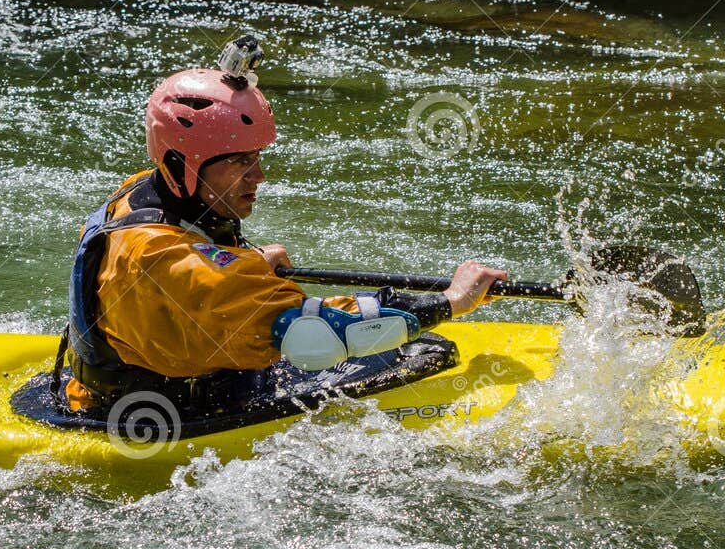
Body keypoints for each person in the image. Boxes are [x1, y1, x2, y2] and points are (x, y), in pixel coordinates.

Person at [63, 37, 507, 414]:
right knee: (417, 349)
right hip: (171, 415)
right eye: (238, 162)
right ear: (182, 165)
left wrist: (247, 263)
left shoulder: (141, 194)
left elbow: (187, 278)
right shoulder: (169, 261)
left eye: (256, 158)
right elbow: (318, 338)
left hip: (112, 387)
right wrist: (450, 302)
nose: (257, 177)